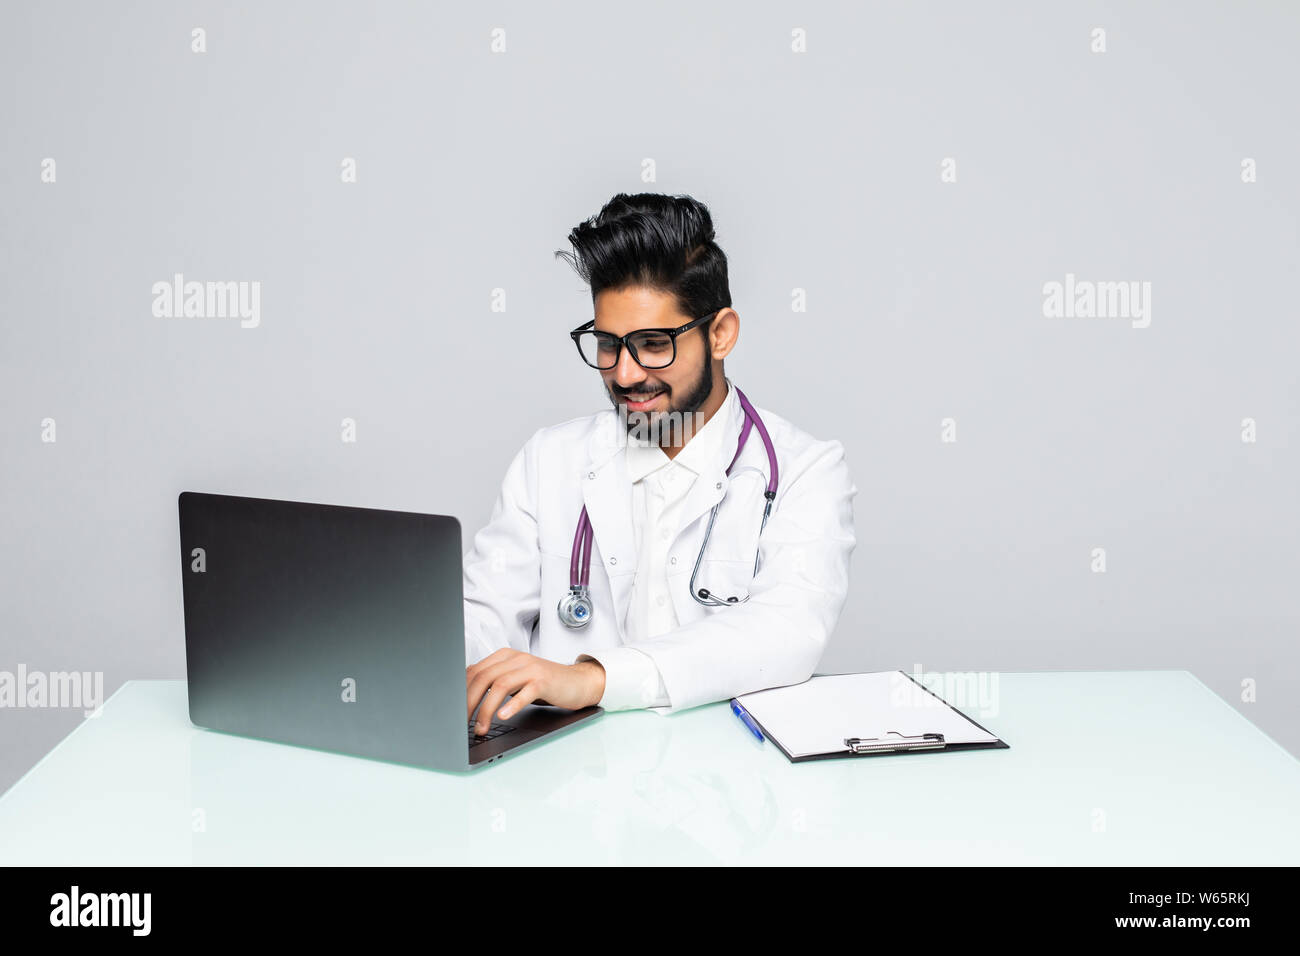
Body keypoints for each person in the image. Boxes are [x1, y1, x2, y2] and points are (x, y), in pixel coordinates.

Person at [465, 192, 857, 734]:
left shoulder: (804, 471)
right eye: (607, 343)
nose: (624, 374)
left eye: (653, 344)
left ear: (720, 333)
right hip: (566, 781)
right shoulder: (549, 460)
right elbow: (482, 617)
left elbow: (787, 631)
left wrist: (594, 679)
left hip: (727, 788)